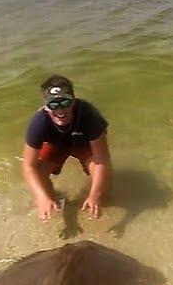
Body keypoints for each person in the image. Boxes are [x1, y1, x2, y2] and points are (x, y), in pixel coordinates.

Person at [21, 75, 112, 221]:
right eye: (53, 105)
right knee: (39, 174)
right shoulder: (39, 122)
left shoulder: (89, 115)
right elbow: (28, 166)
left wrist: (95, 195)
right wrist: (42, 197)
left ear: (73, 101)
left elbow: (102, 160)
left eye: (65, 102)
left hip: (83, 144)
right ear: (46, 107)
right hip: (57, 145)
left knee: (105, 191)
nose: (60, 110)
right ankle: (53, 202)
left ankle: (95, 202)